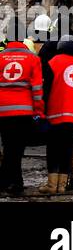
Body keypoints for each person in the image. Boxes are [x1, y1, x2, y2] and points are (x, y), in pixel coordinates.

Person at [39, 39, 73, 196]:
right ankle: (62, 185)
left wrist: (42, 111)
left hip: (56, 112)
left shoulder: (54, 61)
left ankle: (51, 184)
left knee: (53, 147)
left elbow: (45, 88)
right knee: (67, 148)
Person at [0, 35, 44, 196]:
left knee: (8, 146)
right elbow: (37, 88)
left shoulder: (0, 57)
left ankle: (5, 181)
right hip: (23, 111)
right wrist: (38, 110)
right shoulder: (32, 59)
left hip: (2, 110)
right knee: (16, 149)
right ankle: (16, 184)